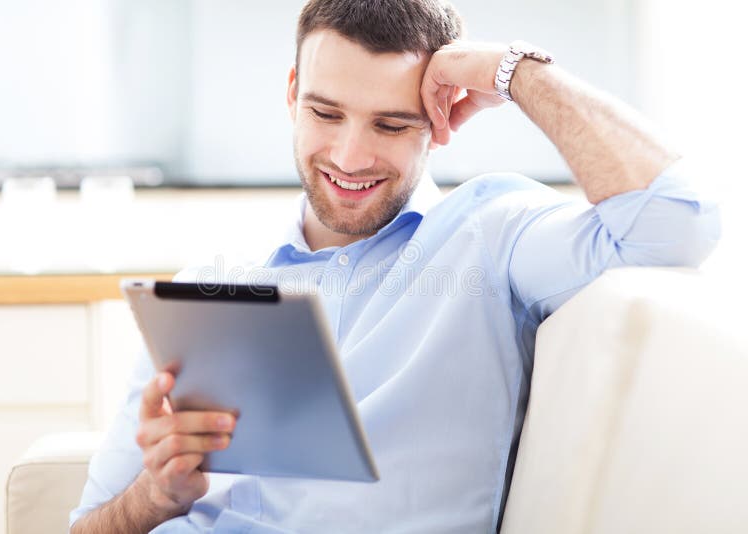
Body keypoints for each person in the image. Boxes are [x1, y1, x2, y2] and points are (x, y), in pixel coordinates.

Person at [70, 0, 720, 532]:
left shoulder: (490, 234)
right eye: (326, 113)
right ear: (292, 94)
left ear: (439, 118)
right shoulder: (209, 287)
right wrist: (156, 495)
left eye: (390, 125)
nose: (350, 157)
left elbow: (675, 220)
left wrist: (514, 71)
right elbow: (85, 526)